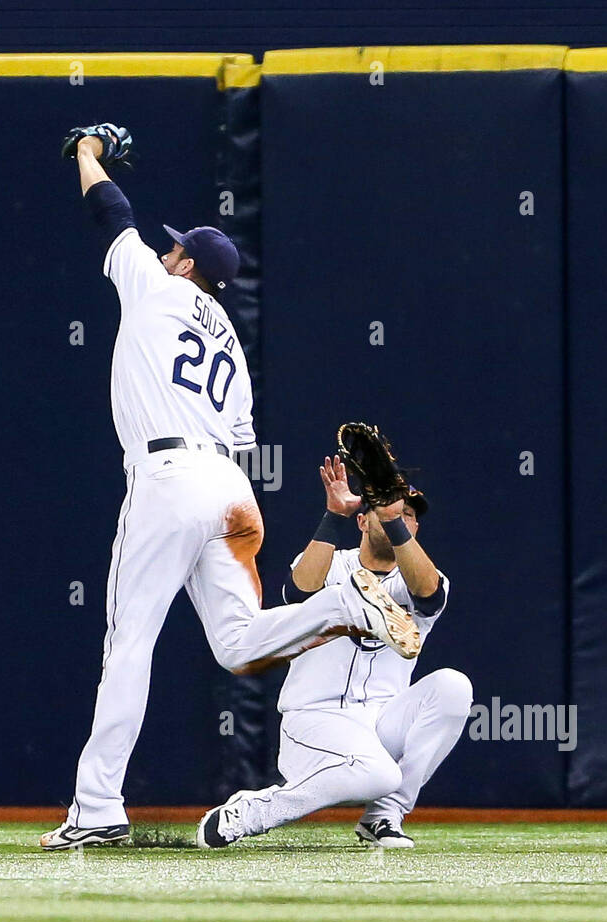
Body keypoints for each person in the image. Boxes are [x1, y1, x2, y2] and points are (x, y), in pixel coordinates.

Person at [41, 125, 421, 850]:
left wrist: (89, 151)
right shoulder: (234, 347)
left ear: (186, 264)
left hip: (167, 476)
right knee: (238, 641)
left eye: (174, 245)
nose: (163, 248)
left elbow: (111, 212)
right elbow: (234, 433)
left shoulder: (154, 282)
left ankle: (96, 807)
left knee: (128, 643)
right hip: (228, 486)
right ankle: (343, 603)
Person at [197, 453, 472, 850]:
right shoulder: (332, 565)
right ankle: (256, 810)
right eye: (389, 508)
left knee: (454, 687)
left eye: (410, 514)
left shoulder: (423, 577)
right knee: (381, 775)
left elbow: (429, 596)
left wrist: (393, 520)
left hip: (381, 721)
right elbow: (298, 592)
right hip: (316, 719)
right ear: (362, 520)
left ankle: (383, 817)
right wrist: (333, 515)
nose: (401, 515)